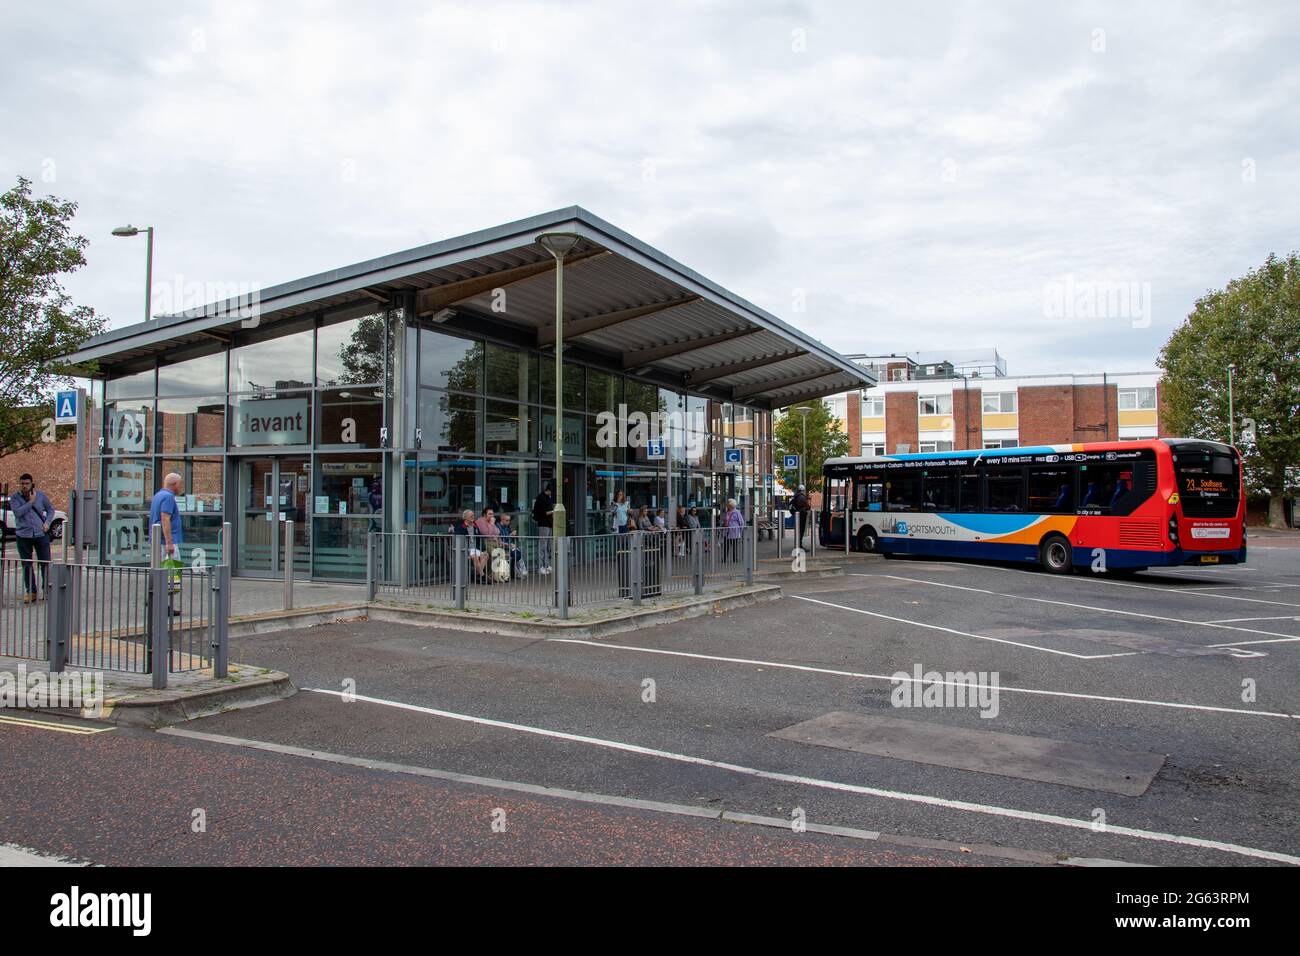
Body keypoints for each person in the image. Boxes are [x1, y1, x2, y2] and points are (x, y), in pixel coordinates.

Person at [10, 473, 54, 603]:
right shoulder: (14, 498)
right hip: (23, 535)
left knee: (45, 563)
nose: (24, 486)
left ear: (31, 483)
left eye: (27, 483)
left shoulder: (40, 495)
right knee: (26, 564)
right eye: (22, 483)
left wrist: (47, 522)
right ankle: (31, 592)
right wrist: (31, 501)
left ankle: (47, 591)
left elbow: (51, 509)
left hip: (40, 534)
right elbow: (18, 513)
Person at [149, 472, 186, 562]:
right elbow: (165, 519)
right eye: (180, 484)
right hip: (165, 541)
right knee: (173, 572)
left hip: (157, 539)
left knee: (159, 569)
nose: (181, 487)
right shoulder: (168, 497)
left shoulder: (158, 495)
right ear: (175, 484)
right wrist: (169, 543)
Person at [452, 509, 487, 579]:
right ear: (465, 517)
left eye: (473, 516)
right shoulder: (461, 527)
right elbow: (458, 538)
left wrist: (483, 549)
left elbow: (480, 537)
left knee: (486, 555)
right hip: (465, 549)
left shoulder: (475, 526)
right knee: (475, 557)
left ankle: (478, 574)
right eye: (471, 516)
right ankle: (482, 576)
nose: (473, 517)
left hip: (474, 549)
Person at [531, 484, 555, 574]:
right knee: (543, 546)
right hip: (544, 524)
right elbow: (543, 512)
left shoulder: (547, 498)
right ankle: (541, 566)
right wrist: (553, 512)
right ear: (548, 490)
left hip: (548, 524)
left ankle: (546, 565)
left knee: (547, 546)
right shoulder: (541, 498)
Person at [722, 498, 746, 563]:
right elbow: (723, 520)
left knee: (734, 546)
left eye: (728, 504)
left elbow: (741, 522)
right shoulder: (726, 512)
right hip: (726, 531)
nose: (727, 505)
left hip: (734, 532)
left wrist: (739, 531)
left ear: (731, 505)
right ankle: (724, 559)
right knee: (726, 546)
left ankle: (735, 559)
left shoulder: (737, 512)